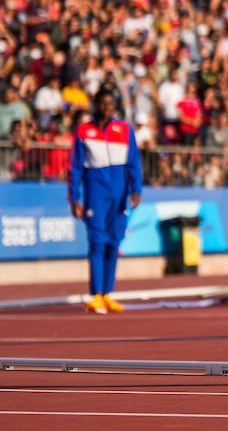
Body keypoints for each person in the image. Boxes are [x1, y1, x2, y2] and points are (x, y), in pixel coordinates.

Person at [69, 89, 143, 315]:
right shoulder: (84, 132)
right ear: (96, 105)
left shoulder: (124, 130)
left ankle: (107, 294)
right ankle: (95, 295)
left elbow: (134, 163)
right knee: (98, 242)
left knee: (114, 243)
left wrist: (136, 189)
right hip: (95, 194)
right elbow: (74, 168)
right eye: (103, 103)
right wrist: (74, 198)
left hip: (120, 195)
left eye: (110, 104)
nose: (106, 108)